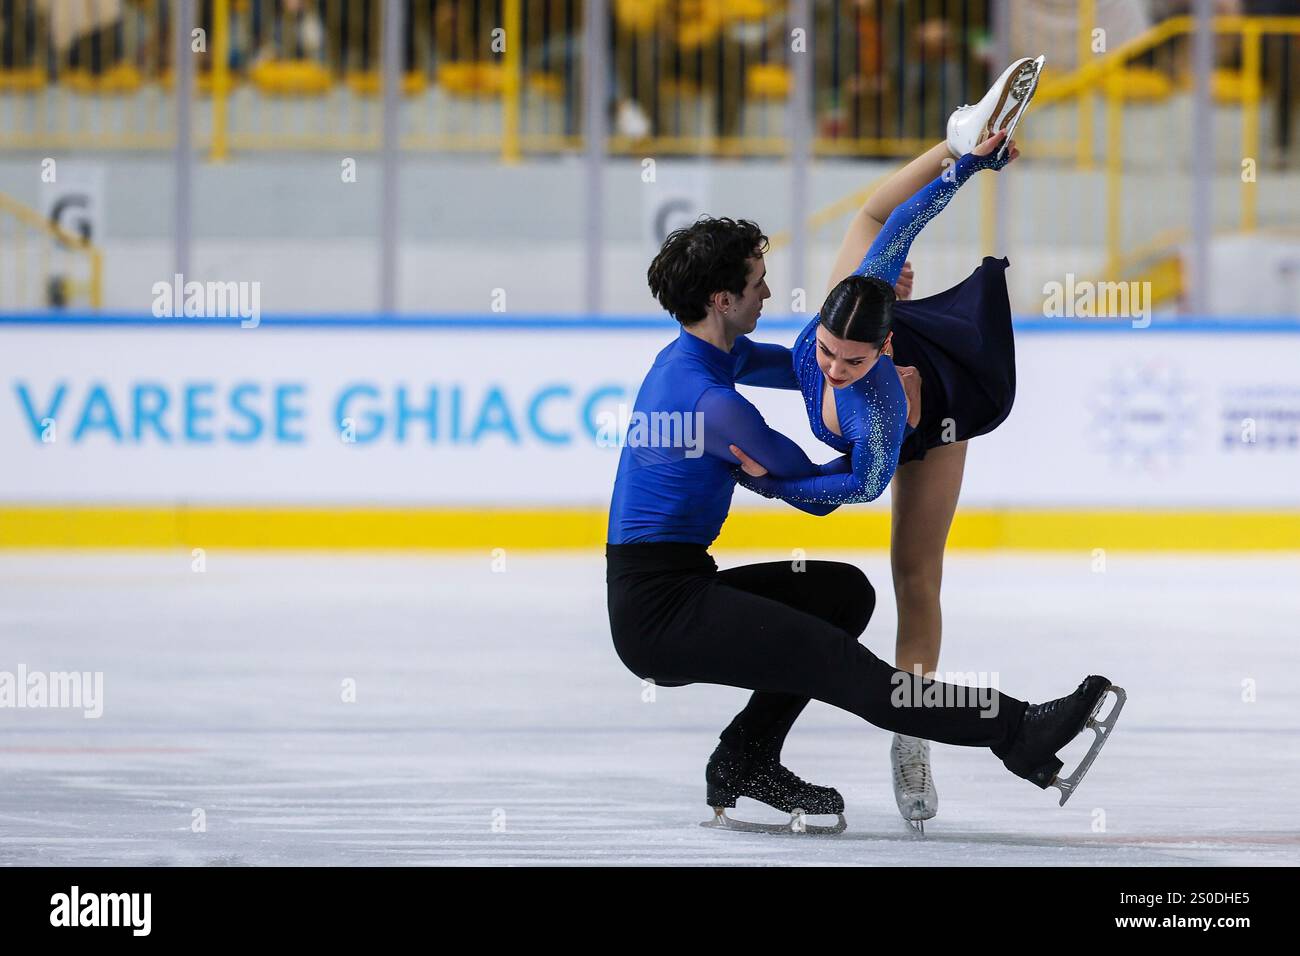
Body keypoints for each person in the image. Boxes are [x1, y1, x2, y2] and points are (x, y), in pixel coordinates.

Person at [605, 209, 1123, 834]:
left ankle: (746, 756)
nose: (768, 293)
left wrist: (870, 361)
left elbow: (806, 372)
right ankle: (1018, 731)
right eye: (757, 282)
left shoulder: (696, 361)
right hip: (660, 615)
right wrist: (889, 427)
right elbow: (823, 490)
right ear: (722, 299)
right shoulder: (713, 403)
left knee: (840, 594)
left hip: (670, 585)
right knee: (863, 682)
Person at [727, 58, 1043, 830]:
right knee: (874, 226)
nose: (831, 367)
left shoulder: (878, 417)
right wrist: (958, 160)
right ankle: (960, 127)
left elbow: (855, 490)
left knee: (915, 574)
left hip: (931, 417)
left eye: (850, 360)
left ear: (883, 350)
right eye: (827, 351)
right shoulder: (835, 321)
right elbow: (889, 221)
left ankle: (913, 729)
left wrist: (769, 485)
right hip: (893, 294)